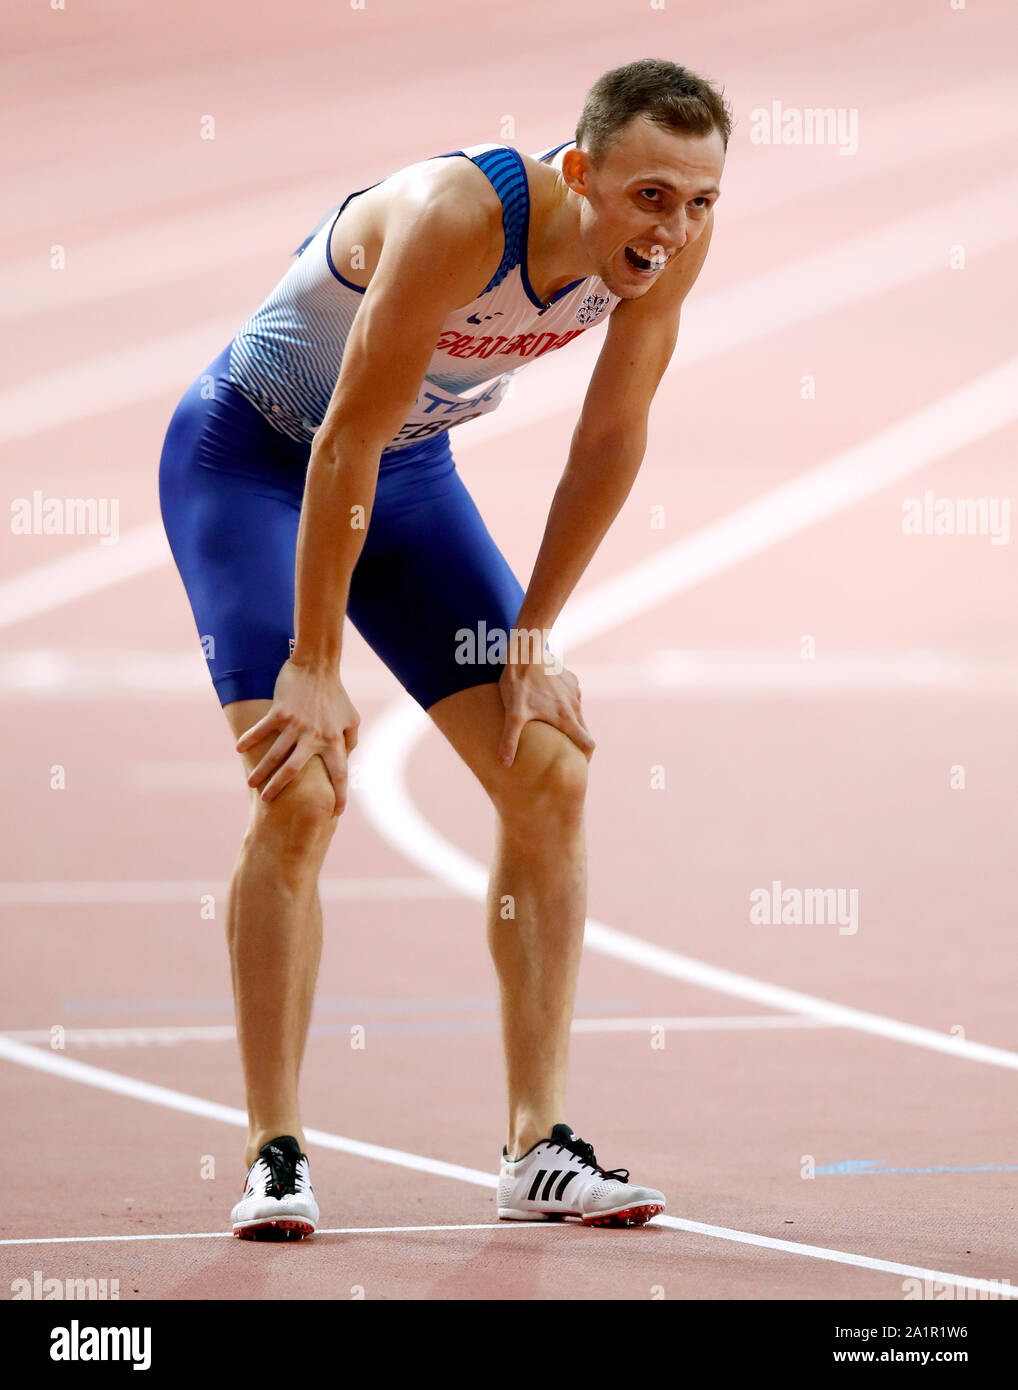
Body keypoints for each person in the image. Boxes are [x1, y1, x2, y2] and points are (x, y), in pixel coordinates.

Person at [158, 57, 729, 1238]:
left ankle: (538, 1146)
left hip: (407, 481)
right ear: (582, 173)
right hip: (259, 464)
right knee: (302, 786)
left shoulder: (666, 254)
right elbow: (340, 440)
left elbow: (609, 437)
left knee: (549, 769)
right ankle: (275, 1148)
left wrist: (534, 635)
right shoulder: (458, 216)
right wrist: (314, 663)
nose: (672, 227)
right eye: (650, 197)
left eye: (699, 201)